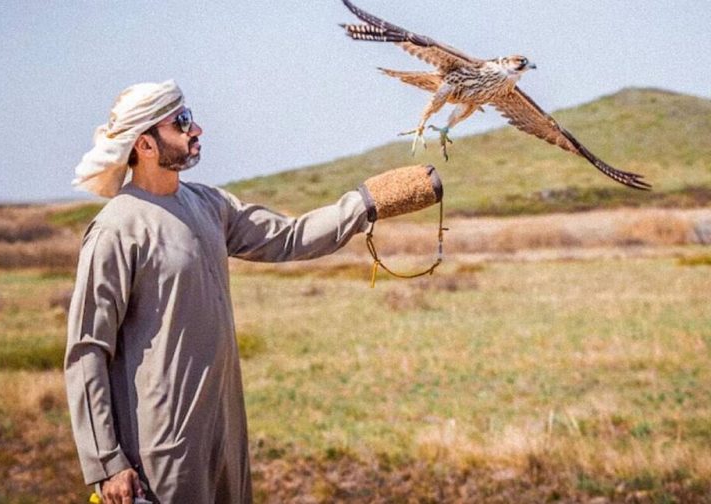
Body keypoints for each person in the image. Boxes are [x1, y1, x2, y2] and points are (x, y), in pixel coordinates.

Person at [65, 80, 442, 503]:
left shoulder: (209, 205)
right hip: (160, 449)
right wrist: (106, 461)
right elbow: (87, 350)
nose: (197, 129)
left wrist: (366, 203)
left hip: (224, 435)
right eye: (182, 122)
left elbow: (289, 236)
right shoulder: (117, 228)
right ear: (146, 145)